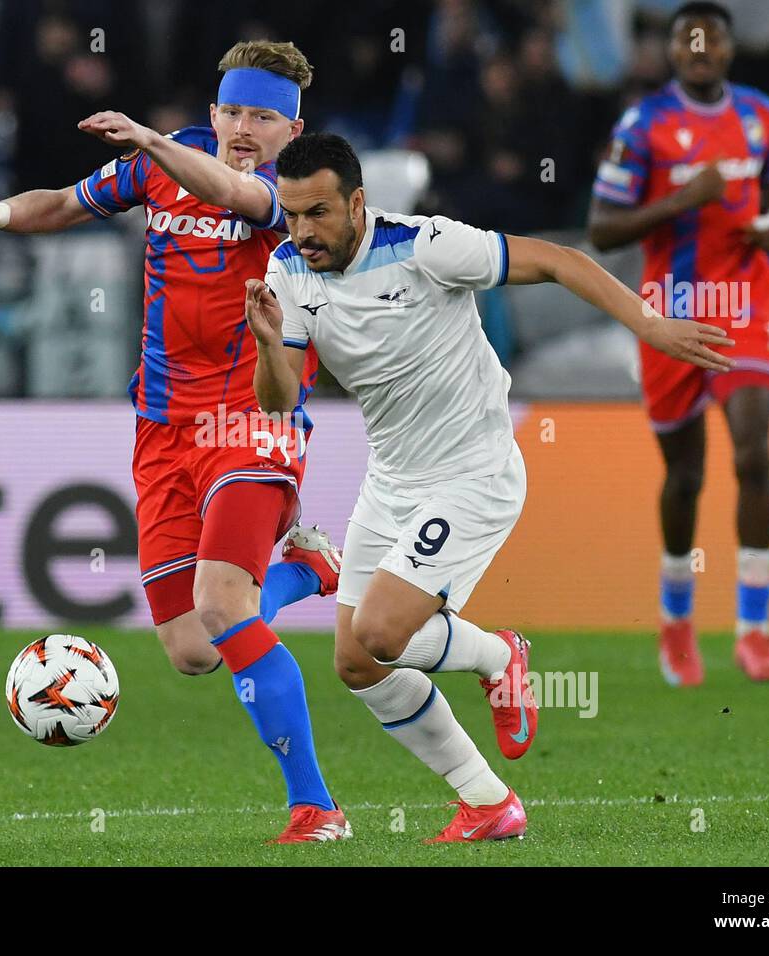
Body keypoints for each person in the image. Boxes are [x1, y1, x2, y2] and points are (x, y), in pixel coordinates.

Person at [246, 132, 731, 842]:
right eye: (289, 214)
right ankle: (487, 802)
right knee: (355, 662)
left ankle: (501, 656)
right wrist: (266, 343)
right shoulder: (288, 270)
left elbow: (560, 261)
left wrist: (650, 325)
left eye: (317, 212)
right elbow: (278, 399)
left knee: (381, 632)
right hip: (393, 479)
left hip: (473, 473)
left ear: (356, 202)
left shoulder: (427, 245)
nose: (301, 231)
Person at [0, 40, 350, 843]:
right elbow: (68, 202)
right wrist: (0, 211)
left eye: (266, 117)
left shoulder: (286, 193)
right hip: (161, 427)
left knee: (223, 606)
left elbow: (232, 192)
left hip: (252, 418)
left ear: (295, 130)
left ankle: (315, 806)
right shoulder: (164, 165)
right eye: (235, 112)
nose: (247, 129)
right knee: (193, 647)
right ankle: (307, 570)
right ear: (214, 112)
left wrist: (154, 140)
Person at [588, 1, 769, 686]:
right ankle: (676, 621)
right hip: (670, 314)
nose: (700, 49)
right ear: (673, 51)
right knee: (687, 475)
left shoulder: (761, 113)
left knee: (755, 453)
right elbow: (602, 229)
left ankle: (755, 630)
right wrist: (684, 200)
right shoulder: (642, 125)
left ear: (731, 50)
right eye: (687, 39)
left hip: (742, 302)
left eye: (712, 40)